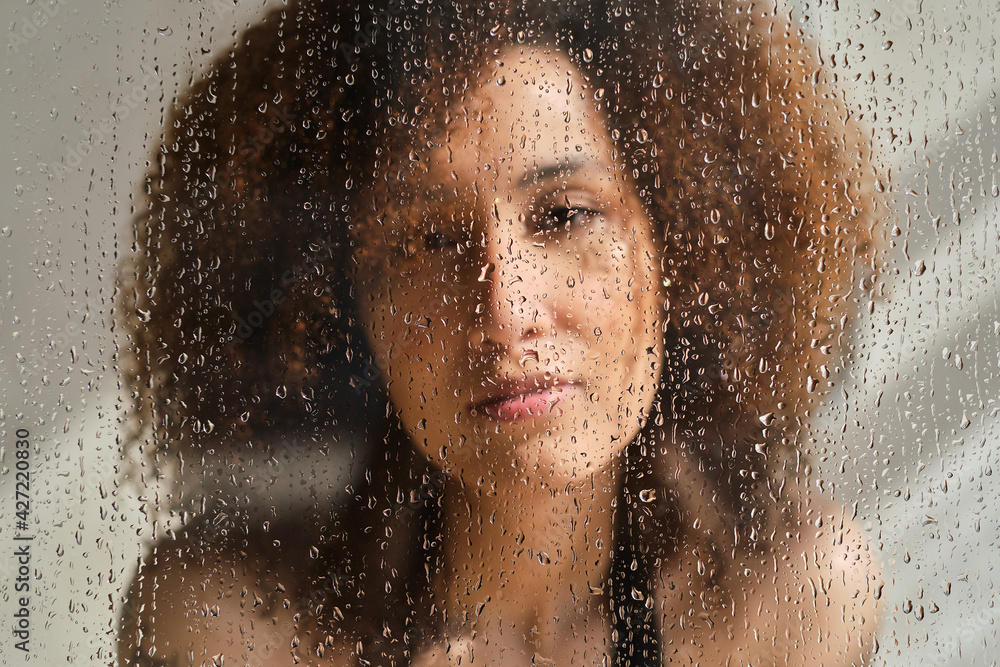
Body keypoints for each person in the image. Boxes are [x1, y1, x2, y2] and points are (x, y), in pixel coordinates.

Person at [117, 0, 884, 664]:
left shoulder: (790, 600)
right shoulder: (225, 630)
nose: (506, 313)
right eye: (427, 241)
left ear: (682, 242)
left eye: (564, 215)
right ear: (335, 306)